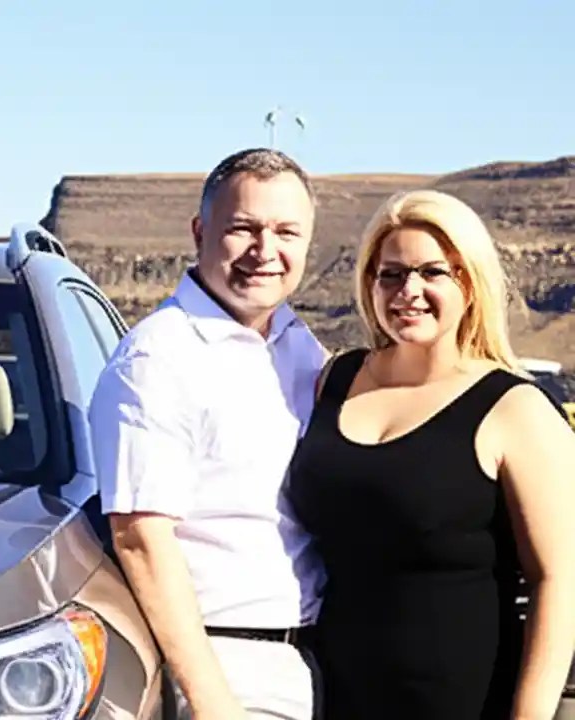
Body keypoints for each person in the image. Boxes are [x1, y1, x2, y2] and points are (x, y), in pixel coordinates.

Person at [284, 189, 575, 719]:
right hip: (328, 695)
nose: (408, 292)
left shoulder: (515, 409)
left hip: (461, 700)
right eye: (390, 274)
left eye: (432, 272)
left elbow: (557, 580)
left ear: (470, 281)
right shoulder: (336, 379)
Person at [89, 147, 328, 719]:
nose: (264, 251)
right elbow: (140, 539)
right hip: (226, 666)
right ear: (200, 233)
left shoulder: (301, 348)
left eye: (286, 232)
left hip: (315, 660)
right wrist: (212, 703)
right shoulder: (158, 358)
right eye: (243, 228)